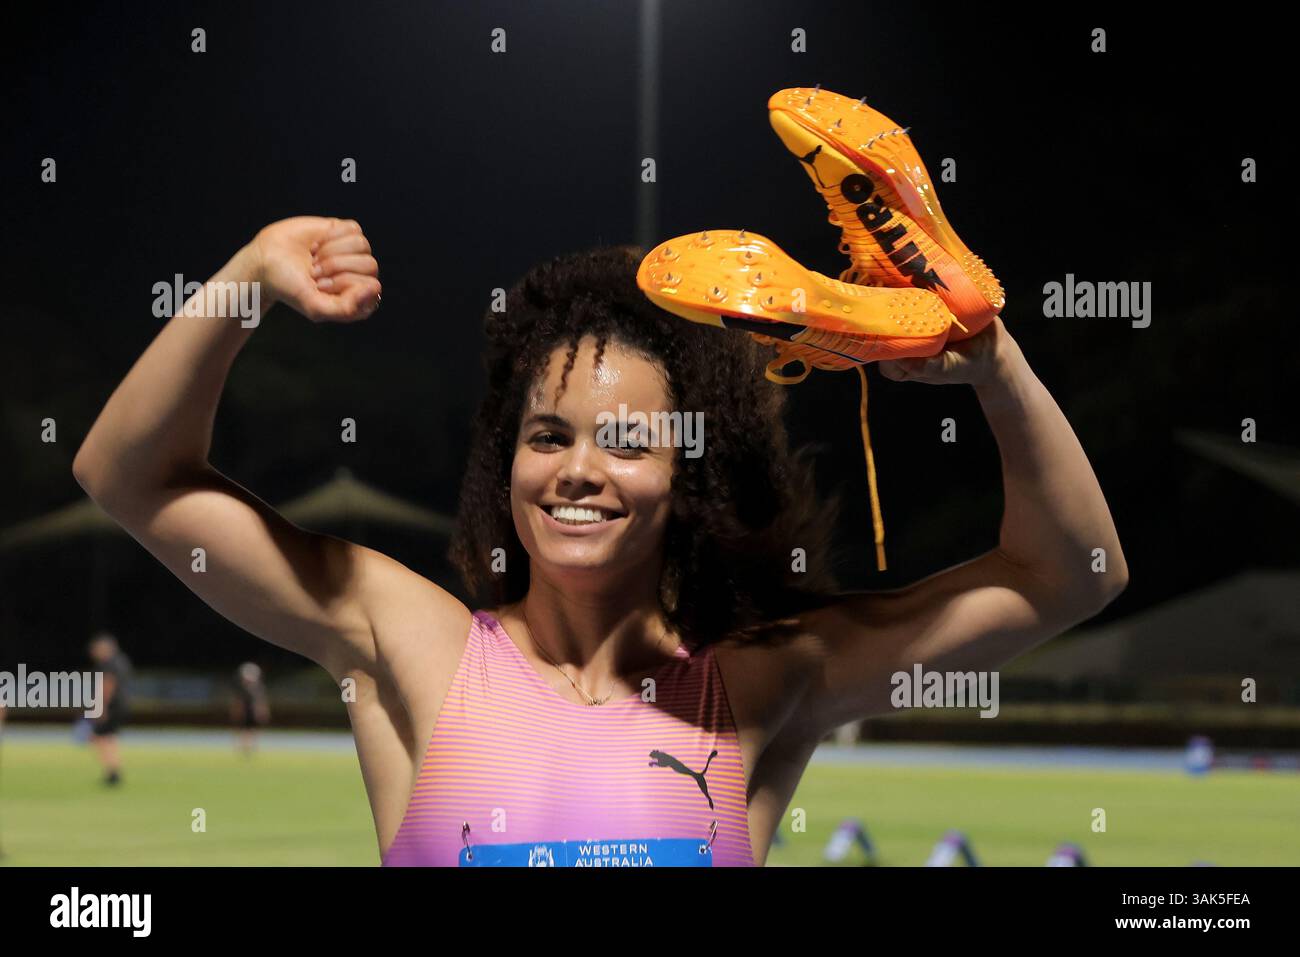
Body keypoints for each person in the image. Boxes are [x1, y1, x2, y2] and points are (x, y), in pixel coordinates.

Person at [73, 216, 1128, 866]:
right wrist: (249, 279)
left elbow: (1070, 576)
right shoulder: (413, 646)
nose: (578, 469)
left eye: (626, 442)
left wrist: (996, 370)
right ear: (507, 461)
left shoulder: (759, 683)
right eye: (547, 435)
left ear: (687, 476)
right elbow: (129, 475)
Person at [87, 632, 132, 786]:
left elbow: (108, 685)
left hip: (111, 706)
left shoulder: (108, 663)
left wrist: (101, 707)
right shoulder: (122, 661)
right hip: (121, 705)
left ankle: (112, 771)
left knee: (98, 737)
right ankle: (113, 770)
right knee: (109, 736)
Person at [230, 662, 271, 755]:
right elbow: (238, 702)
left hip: (252, 712)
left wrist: (263, 712)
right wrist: (237, 711)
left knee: (253, 730)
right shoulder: (241, 689)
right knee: (243, 730)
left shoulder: (258, 688)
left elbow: (261, 702)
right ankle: (243, 747)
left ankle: (251, 747)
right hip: (245, 712)